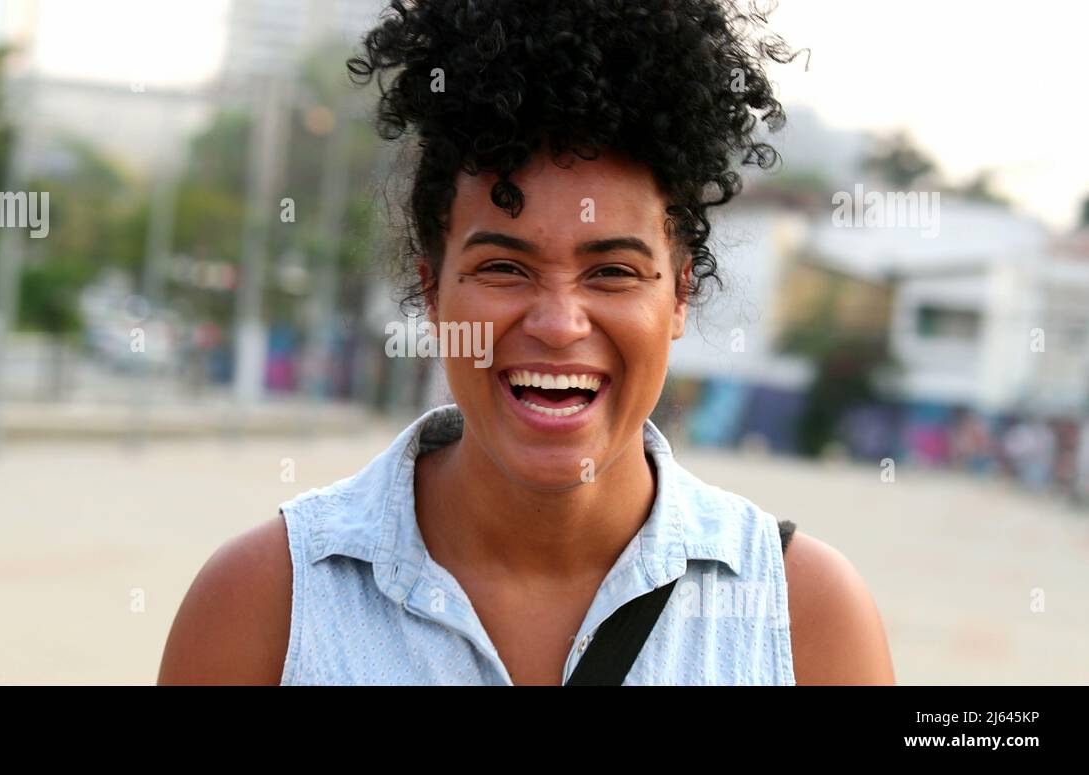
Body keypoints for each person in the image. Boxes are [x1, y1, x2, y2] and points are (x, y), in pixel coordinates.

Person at [159, 0, 895, 685]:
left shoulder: (808, 622)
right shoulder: (263, 608)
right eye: (504, 267)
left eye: (611, 271)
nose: (557, 322)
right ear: (432, 289)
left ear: (679, 295)